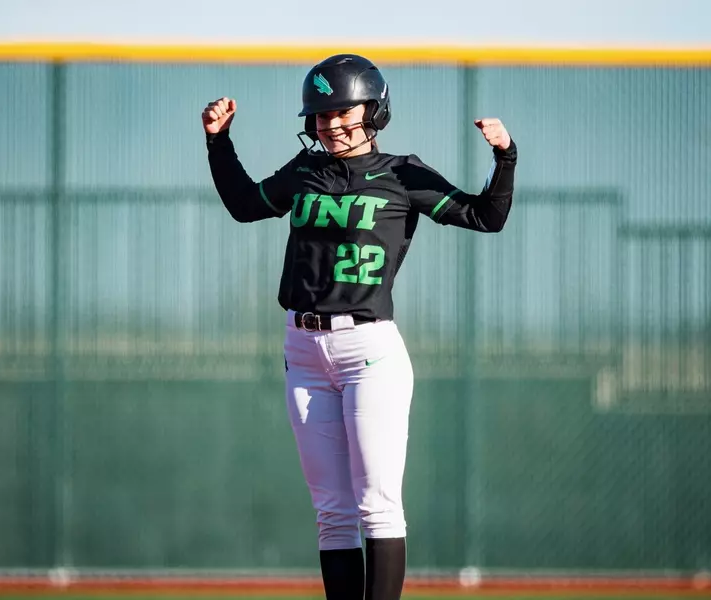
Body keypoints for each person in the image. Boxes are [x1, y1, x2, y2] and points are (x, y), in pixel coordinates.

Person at [202, 53, 516, 600]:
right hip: (301, 348)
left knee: (377, 504)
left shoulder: (402, 173)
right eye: (322, 116)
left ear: (374, 110)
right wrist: (218, 141)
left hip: (368, 349)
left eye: (343, 112)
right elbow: (245, 204)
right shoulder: (307, 171)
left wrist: (505, 156)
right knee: (332, 513)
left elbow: (485, 216)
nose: (331, 125)